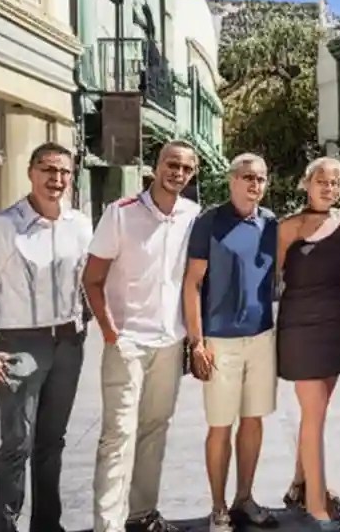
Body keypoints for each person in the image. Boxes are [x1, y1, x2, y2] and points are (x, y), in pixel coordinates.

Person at [0, 142, 93, 532]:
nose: (57, 179)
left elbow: (93, 280)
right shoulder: (3, 227)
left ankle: (48, 525)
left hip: (70, 342)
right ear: (31, 172)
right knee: (17, 442)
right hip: (21, 344)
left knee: (53, 441)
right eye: (49, 170)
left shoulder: (80, 224)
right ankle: (6, 526)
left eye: (64, 172)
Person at [85, 140, 201, 532]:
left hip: (170, 341)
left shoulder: (193, 215)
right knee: (118, 433)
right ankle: (108, 525)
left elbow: (193, 281)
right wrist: (109, 331)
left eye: (186, 168)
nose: (178, 173)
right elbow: (92, 278)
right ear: (157, 166)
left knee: (155, 428)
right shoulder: (120, 214)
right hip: (128, 342)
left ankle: (142, 513)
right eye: (172, 164)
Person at [183, 153, 280, 532]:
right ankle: (218, 506)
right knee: (220, 425)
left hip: (261, 337)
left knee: (253, 421)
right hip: (219, 341)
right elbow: (192, 283)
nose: (254, 184)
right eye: (248, 178)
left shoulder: (270, 222)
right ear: (232, 181)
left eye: (260, 178)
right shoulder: (209, 221)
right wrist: (197, 343)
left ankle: (245, 498)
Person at [276, 157, 340, 531]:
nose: (328, 187)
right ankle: (318, 508)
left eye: (334, 182)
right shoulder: (287, 227)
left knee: (316, 415)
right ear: (307, 183)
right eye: (321, 180)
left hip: (335, 328)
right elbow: (266, 280)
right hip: (300, 328)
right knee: (314, 416)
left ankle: (299, 486)